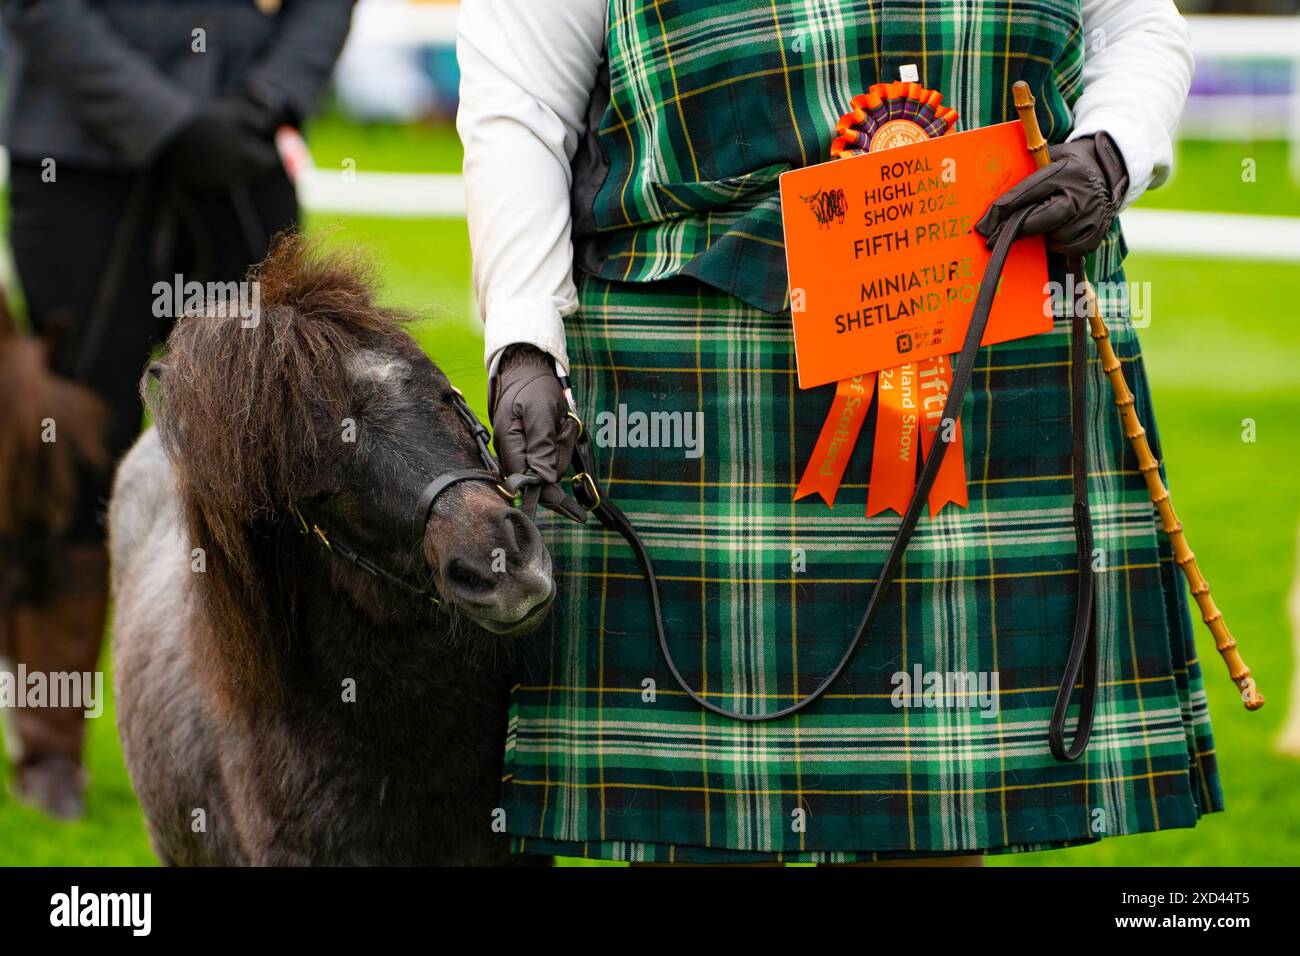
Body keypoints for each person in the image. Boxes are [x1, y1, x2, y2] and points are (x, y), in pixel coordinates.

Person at [458, 0, 1223, 863]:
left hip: (984, 350)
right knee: (697, 827)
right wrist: (523, 339)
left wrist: (1111, 148)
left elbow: (1136, 26)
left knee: (936, 813)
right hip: (698, 389)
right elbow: (520, 96)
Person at [0, 0, 353, 819]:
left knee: (275, 442)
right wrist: (163, 121)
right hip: (77, 151)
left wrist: (267, 99)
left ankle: (278, 735)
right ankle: (50, 748)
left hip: (242, 145)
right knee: (66, 442)